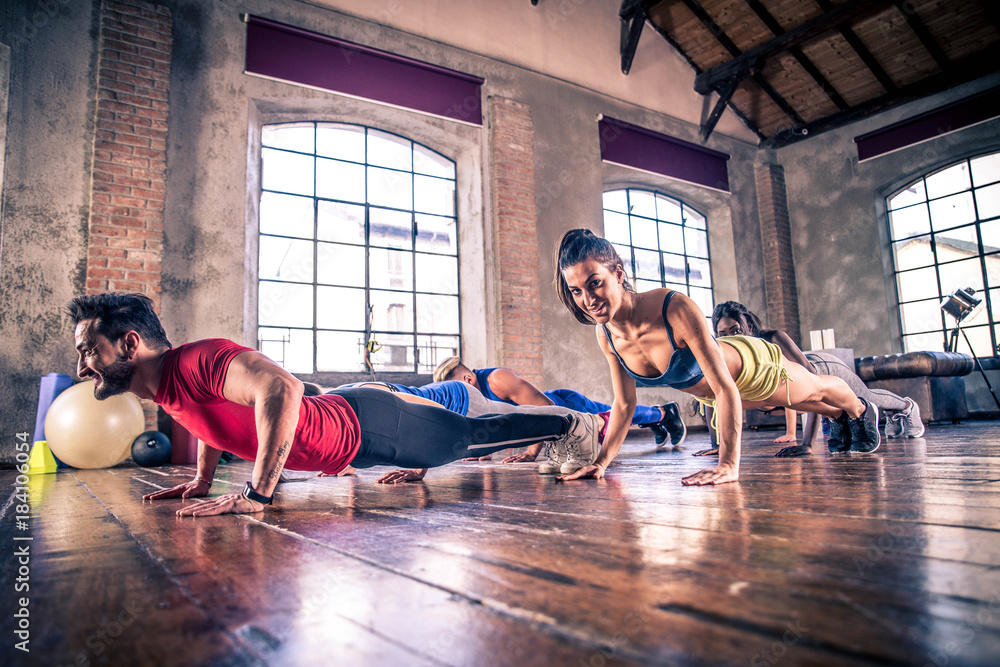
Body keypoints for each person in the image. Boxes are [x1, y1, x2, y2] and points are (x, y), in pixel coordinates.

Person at [66, 292, 599, 517]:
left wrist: (257, 493)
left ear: (130, 344)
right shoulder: (169, 388)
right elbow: (212, 421)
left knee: (469, 439)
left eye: (88, 351)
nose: (81, 367)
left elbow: (282, 390)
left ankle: (570, 423)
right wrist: (204, 480)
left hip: (368, 421)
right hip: (354, 440)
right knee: (458, 440)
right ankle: (561, 425)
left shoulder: (196, 360)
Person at [553, 228, 883, 487]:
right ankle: (841, 418)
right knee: (803, 402)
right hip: (716, 396)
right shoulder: (606, 334)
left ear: (619, 274)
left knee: (812, 390)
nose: (588, 299)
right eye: (577, 291)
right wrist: (601, 462)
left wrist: (728, 464)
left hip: (750, 369)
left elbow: (725, 386)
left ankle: (860, 408)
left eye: (595, 283)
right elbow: (624, 405)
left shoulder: (674, 308)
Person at [707, 301, 923, 457]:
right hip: (805, 385)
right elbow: (712, 398)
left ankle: (907, 406)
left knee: (868, 398)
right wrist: (718, 444)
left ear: (749, 328)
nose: (730, 338)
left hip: (824, 370)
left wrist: (807, 443)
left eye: (735, 330)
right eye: (722, 334)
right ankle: (893, 414)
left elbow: (813, 385)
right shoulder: (730, 361)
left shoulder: (772, 339)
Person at [334, 380, 605, 476]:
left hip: (458, 401)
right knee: (517, 414)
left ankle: (583, 422)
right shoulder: (340, 406)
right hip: (448, 395)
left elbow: (421, 415)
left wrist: (418, 466)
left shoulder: (358, 394)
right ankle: (580, 422)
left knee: (519, 414)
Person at [433, 357, 686, 450]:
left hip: (563, 404)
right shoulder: (474, 394)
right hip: (551, 407)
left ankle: (664, 414)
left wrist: (533, 451)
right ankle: (658, 418)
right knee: (611, 417)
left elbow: (542, 410)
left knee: (611, 416)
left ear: (467, 378)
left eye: (455, 388)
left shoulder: (498, 379)